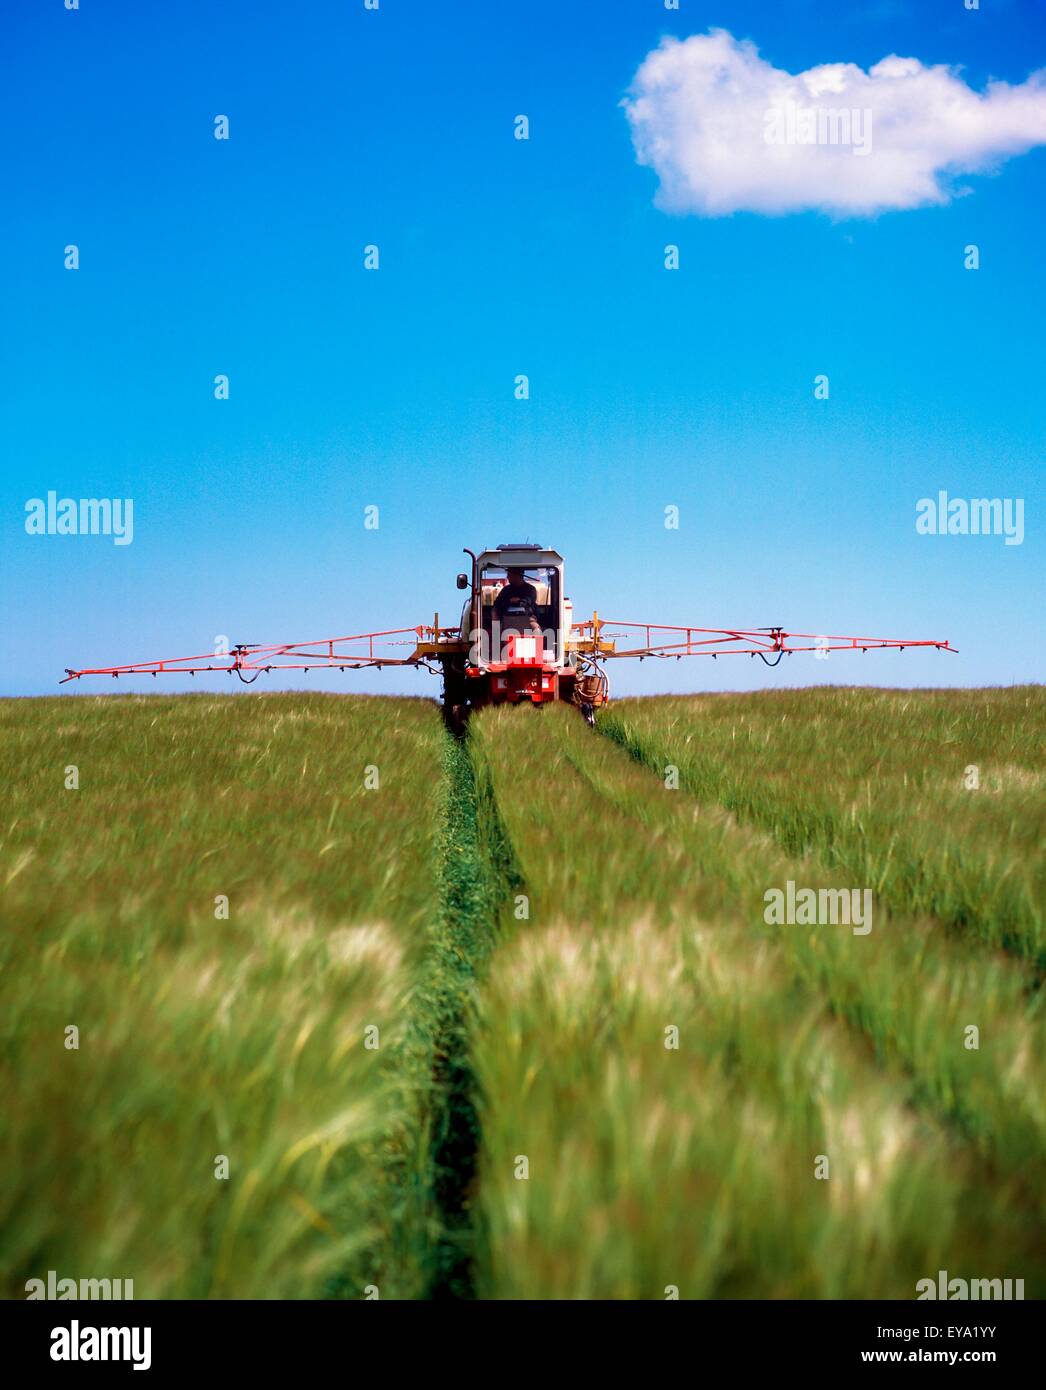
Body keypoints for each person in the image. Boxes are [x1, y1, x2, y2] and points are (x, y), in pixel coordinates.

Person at [492, 568, 543, 643]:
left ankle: (538, 651)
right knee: (499, 634)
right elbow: (498, 603)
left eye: (509, 575)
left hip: (528, 619)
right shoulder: (506, 590)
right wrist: (509, 601)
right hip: (507, 620)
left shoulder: (530, 589)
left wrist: (519, 601)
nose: (507, 577)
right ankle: (497, 649)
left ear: (517, 575)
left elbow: (529, 601)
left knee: (536, 629)